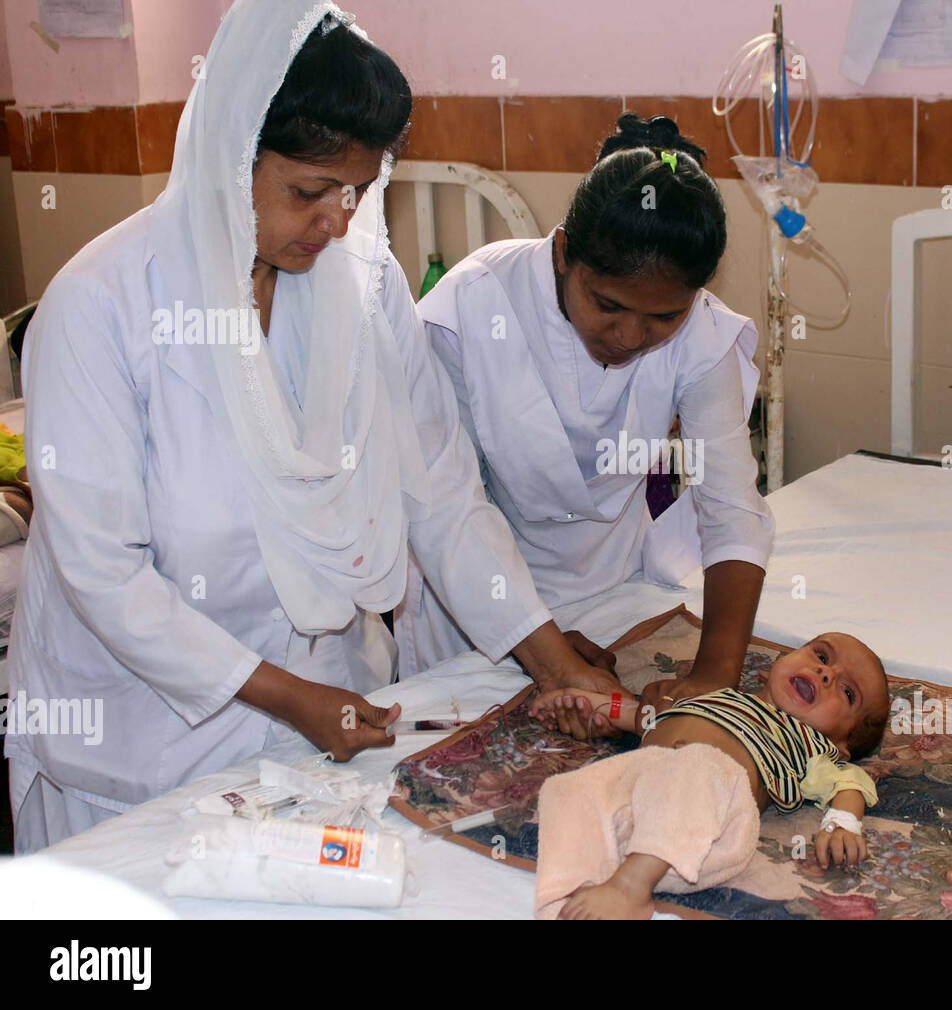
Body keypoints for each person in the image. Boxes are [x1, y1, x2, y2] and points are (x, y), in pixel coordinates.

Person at [5, 0, 611, 853]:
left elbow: (439, 492)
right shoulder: (101, 306)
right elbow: (104, 574)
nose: (338, 222)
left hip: (327, 720)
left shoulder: (359, 286)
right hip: (140, 746)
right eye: (308, 191)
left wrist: (553, 661)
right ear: (228, 153)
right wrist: (292, 697)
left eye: (357, 192)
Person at [398, 113, 775, 721]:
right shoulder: (473, 306)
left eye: (662, 319)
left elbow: (731, 504)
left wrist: (714, 675)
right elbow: (449, 508)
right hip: (473, 610)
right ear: (566, 252)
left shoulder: (701, 331)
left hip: (612, 596)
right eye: (608, 305)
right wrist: (545, 654)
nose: (629, 334)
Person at [529, 632, 891, 918]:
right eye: (822, 656)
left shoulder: (811, 745)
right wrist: (583, 702)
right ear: (775, 665)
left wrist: (842, 823)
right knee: (568, 789)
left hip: (705, 835)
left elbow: (849, 781)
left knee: (696, 764)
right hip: (642, 805)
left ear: (841, 742)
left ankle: (630, 888)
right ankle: (562, 901)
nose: (826, 673)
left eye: (847, 692)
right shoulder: (715, 697)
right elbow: (640, 715)